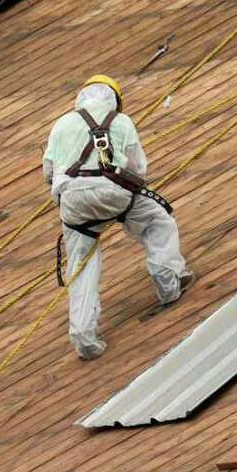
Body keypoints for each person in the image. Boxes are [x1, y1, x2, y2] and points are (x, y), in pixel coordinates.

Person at [42, 75, 194, 360]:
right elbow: (139, 170)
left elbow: (48, 173)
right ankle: (169, 282)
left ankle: (84, 338)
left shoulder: (60, 124)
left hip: (74, 203)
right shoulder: (121, 122)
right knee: (157, 222)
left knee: (81, 265)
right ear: (115, 99)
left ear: (81, 97)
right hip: (116, 194)